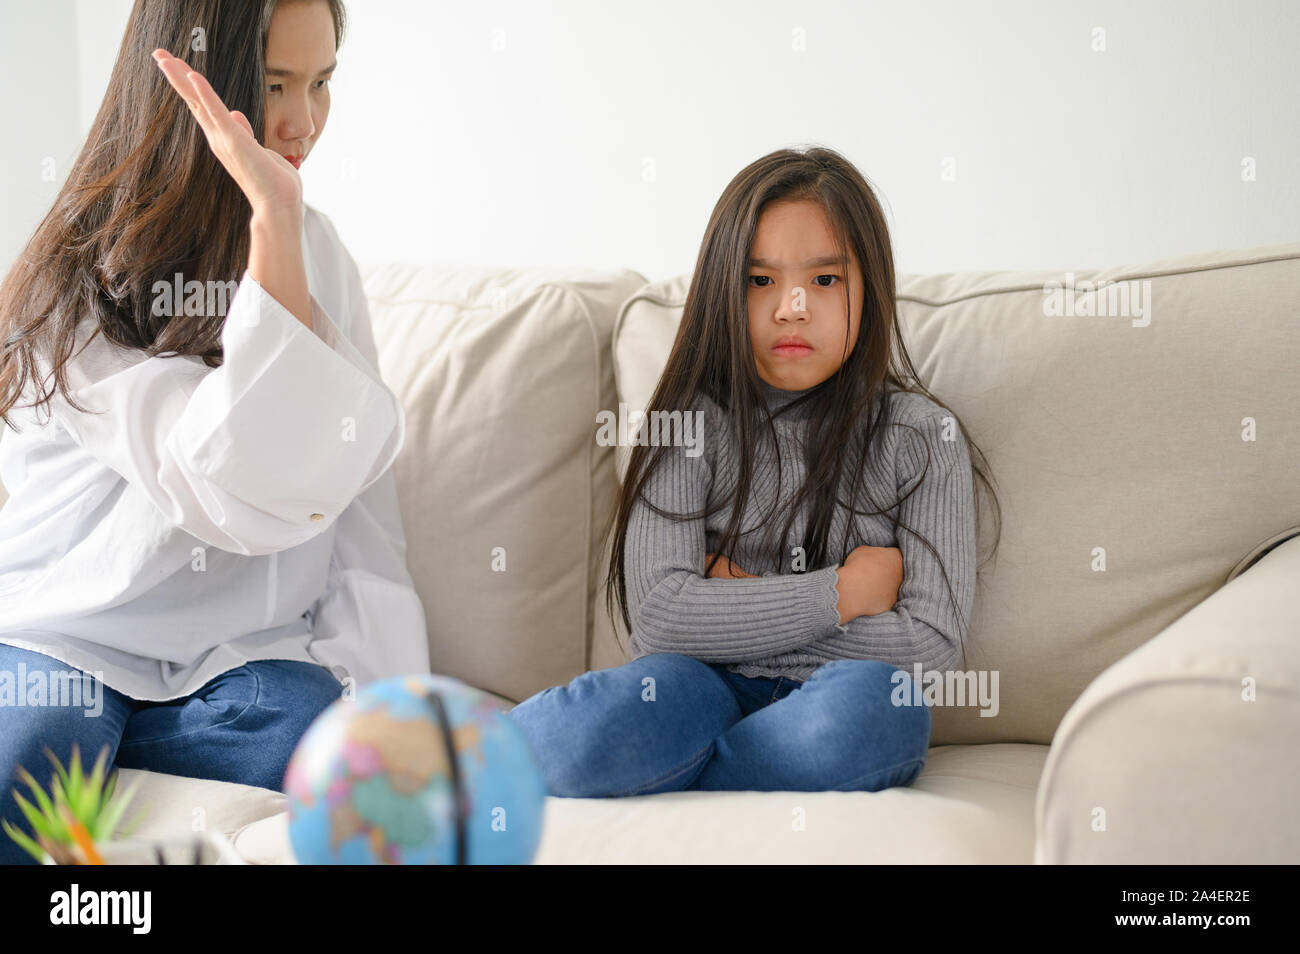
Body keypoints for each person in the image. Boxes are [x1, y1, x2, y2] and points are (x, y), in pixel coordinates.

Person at [0, 0, 429, 864]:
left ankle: (117, 750)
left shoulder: (321, 254)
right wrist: (271, 227)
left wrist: (391, 700)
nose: (300, 121)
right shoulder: (79, 270)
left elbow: (358, 514)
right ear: (187, 76)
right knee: (30, 772)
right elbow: (224, 483)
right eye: (274, 84)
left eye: (321, 84)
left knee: (310, 740)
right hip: (72, 631)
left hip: (236, 659)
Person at [509, 146, 1001, 797]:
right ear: (723, 291)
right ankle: (462, 753)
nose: (792, 307)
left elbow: (929, 643)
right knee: (602, 724)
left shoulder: (920, 436)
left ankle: (698, 775)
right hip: (695, 690)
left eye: (825, 280)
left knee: (878, 709)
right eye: (760, 280)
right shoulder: (688, 425)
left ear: (871, 289)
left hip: (837, 698)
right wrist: (843, 593)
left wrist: (729, 604)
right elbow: (659, 618)